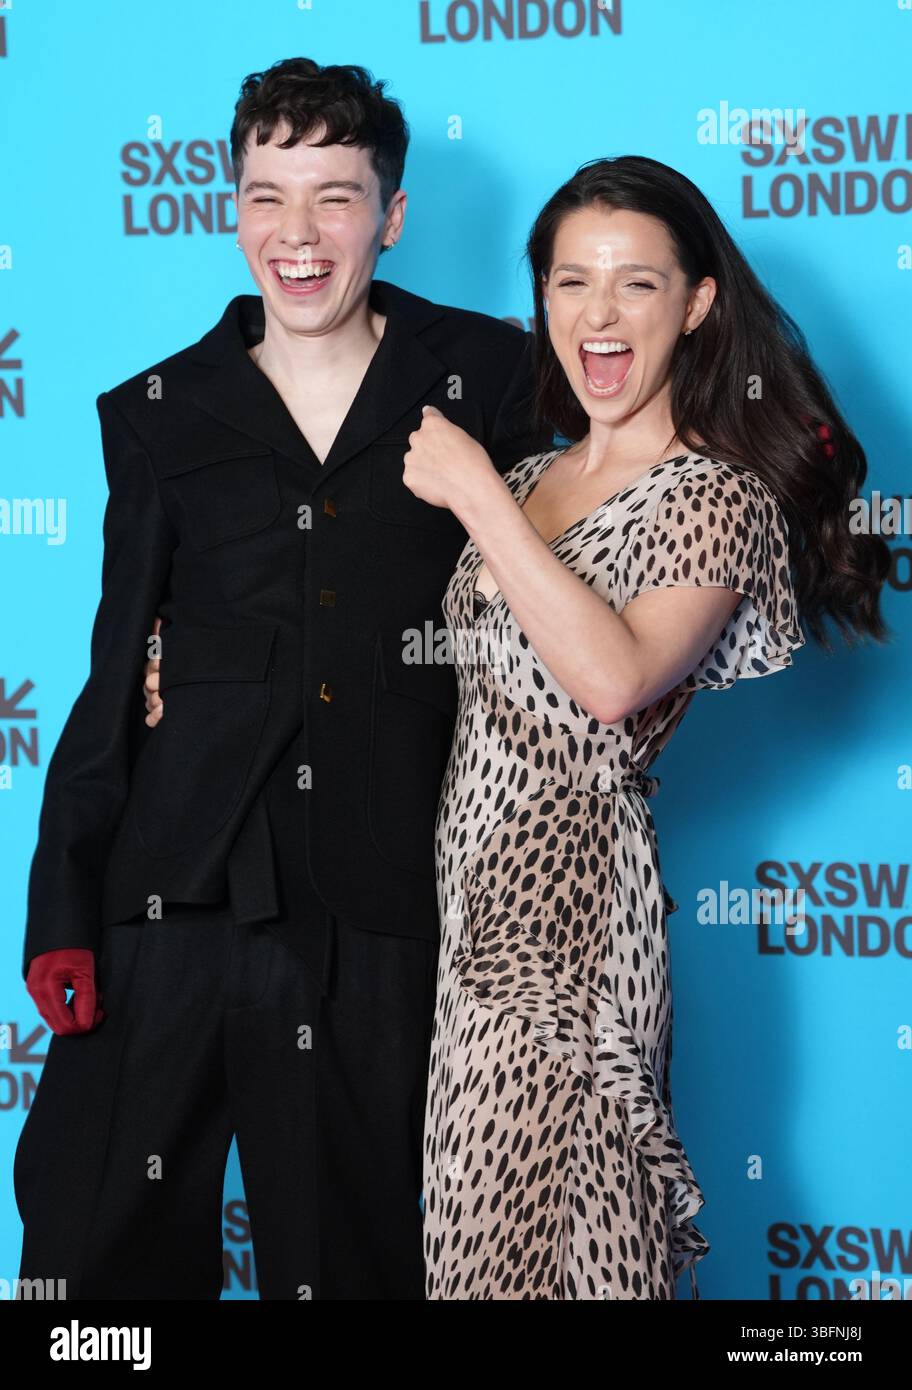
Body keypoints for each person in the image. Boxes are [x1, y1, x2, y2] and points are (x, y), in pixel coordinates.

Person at [14, 58, 551, 1301]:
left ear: (393, 213)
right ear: (233, 205)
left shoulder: (490, 373)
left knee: (348, 1253)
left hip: (378, 904)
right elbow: (108, 679)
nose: (297, 238)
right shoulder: (155, 409)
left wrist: (786, 441)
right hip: (173, 893)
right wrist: (64, 900)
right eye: (268, 198)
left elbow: (621, 479)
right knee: (100, 1254)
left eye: (334, 199)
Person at [401, 155, 891, 1300]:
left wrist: (474, 497)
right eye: (572, 283)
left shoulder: (713, 493)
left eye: (635, 283)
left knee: (571, 1251)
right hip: (472, 929)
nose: (598, 314)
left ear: (698, 301)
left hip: (572, 927)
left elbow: (612, 680)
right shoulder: (532, 474)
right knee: (478, 1259)